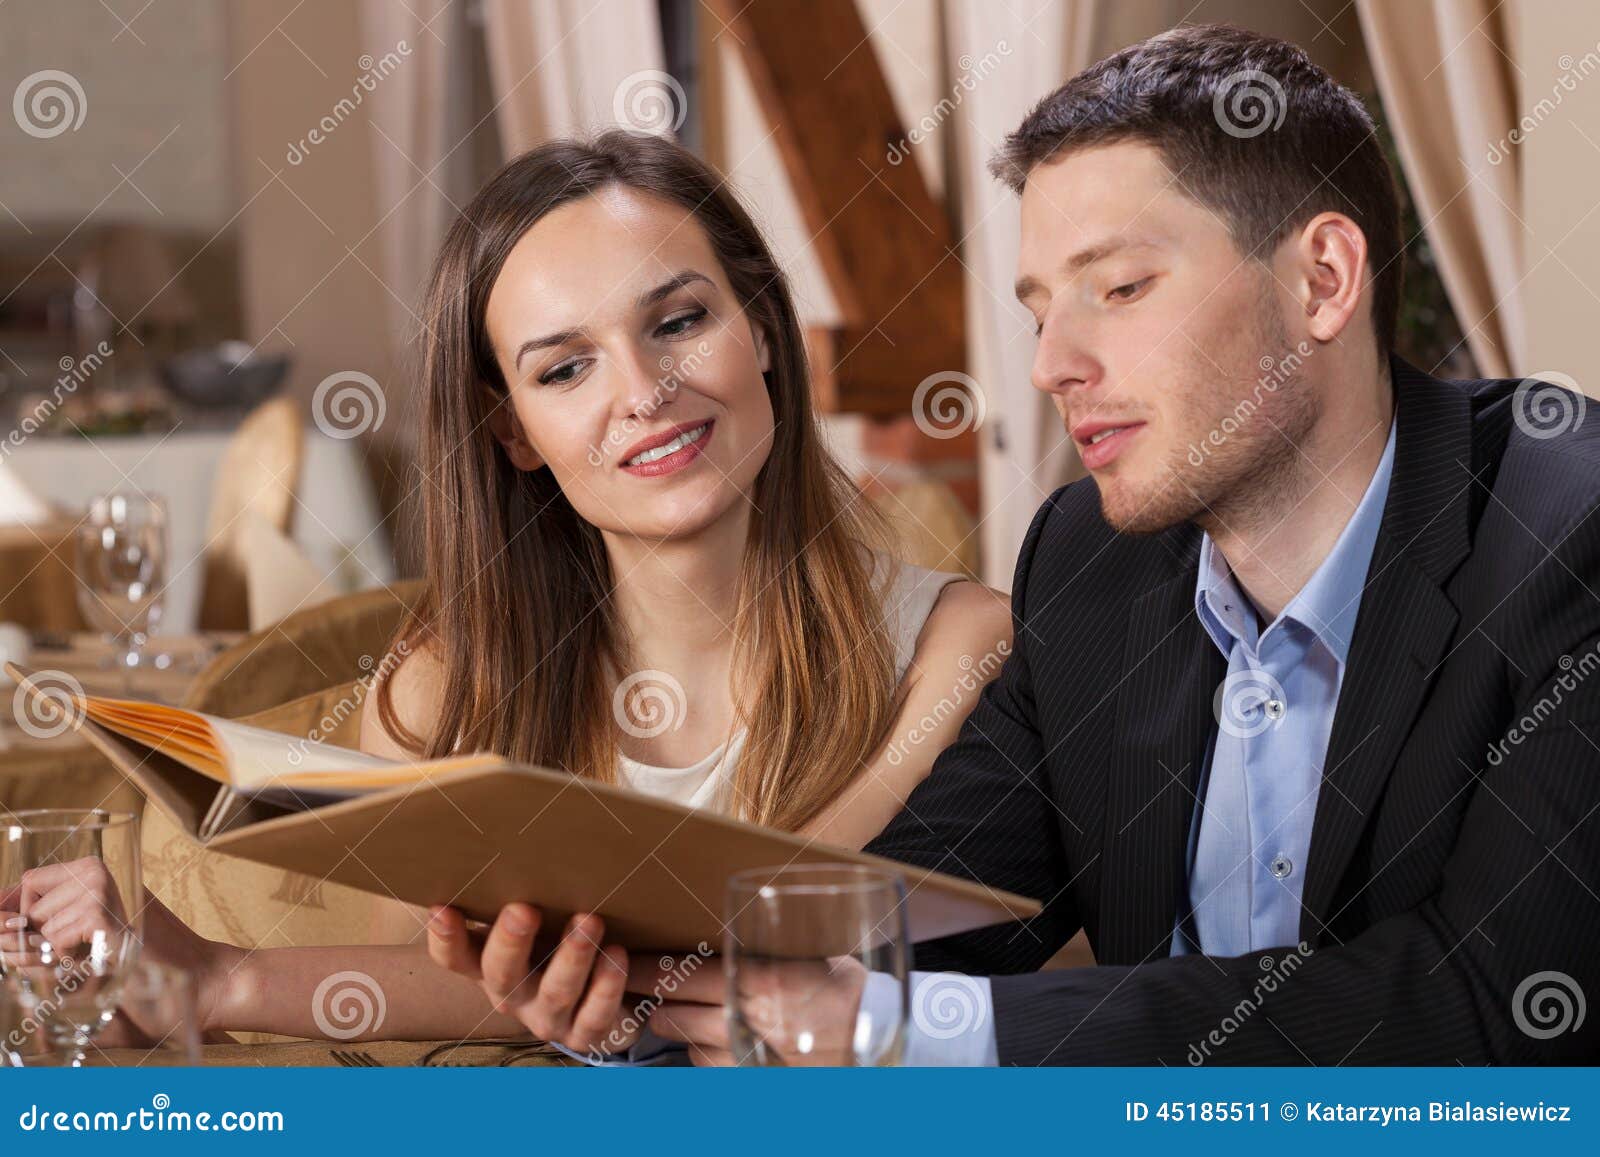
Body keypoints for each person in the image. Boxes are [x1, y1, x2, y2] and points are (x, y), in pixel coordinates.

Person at [433, 24, 1600, 1065]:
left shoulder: (1570, 529)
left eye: (1119, 289)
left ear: (1322, 279)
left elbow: (1494, 1010)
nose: (1050, 365)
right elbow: (919, 912)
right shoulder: (1090, 559)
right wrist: (638, 988)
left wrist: (912, 1029)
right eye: (1040, 309)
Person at [3, 131, 1011, 1054]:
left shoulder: (957, 646)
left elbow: (771, 950)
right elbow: (418, 997)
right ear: (513, 431)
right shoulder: (442, 682)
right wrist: (209, 976)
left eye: (680, 320)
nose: (645, 392)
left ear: (764, 333)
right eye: (566, 368)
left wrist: (237, 980)